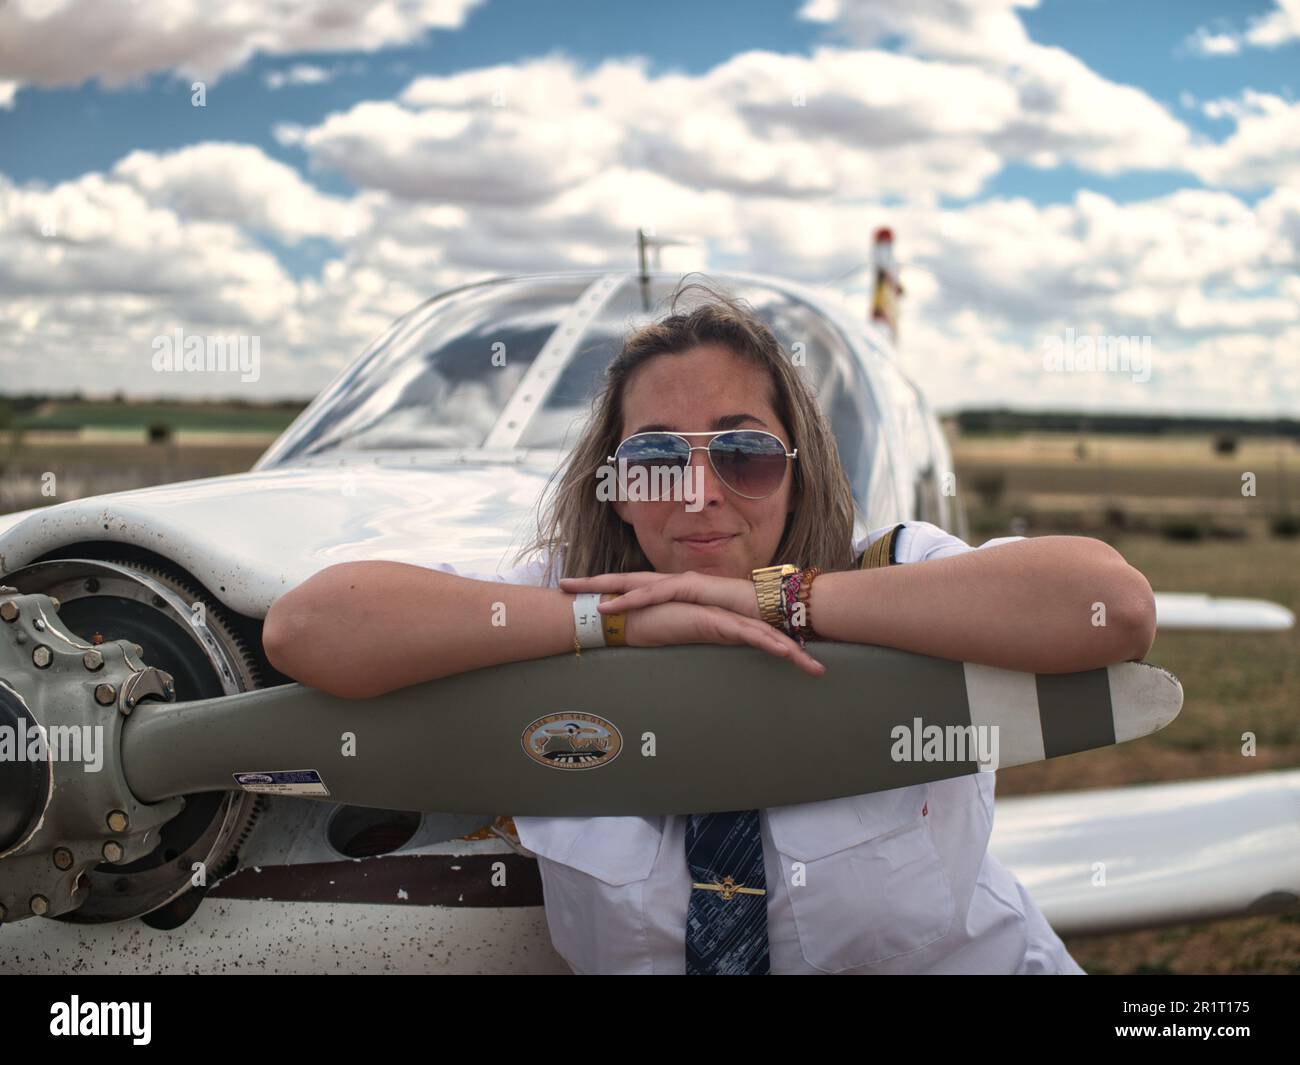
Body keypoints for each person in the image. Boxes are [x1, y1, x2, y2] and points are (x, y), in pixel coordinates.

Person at [263, 279, 1157, 975]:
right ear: (613, 482)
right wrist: (602, 627)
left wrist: (781, 599)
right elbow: (309, 627)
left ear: (798, 469)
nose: (696, 494)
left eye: (743, 453)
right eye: (652, 458)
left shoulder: (889, 565)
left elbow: (1110, 607)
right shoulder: (573, 595)